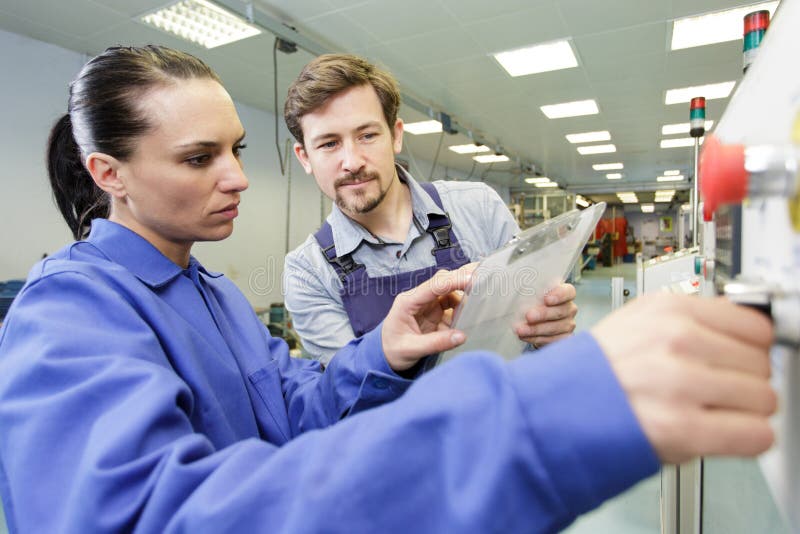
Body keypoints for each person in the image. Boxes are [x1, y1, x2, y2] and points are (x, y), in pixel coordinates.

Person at [0, 46, 777, 533]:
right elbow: (147, 517)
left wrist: (388, 348)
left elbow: (293, 412)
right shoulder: (70, 310)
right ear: (110, 175)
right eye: (200, 158)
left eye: (236, 149)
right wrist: (543, 419)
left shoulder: (208, 291)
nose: (237, 177)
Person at [282, 54, 578, 364]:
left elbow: (531, 341)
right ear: (304, 157)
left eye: (367, 135)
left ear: (396, 135)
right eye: (329, 143)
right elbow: (348, 392)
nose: (352, 162)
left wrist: (548, 331)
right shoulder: (308, 272)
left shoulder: (478, 208)